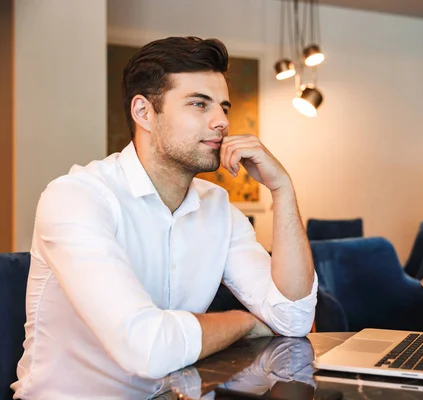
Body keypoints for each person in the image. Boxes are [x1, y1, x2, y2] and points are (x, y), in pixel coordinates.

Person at [12, 36, 317, 399]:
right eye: (198, 104)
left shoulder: (218, 208)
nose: (221, 122)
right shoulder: (76, 197)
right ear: (143, 113)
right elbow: (147, 347)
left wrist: (282, 189)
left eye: (223, 106)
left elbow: (295, 319)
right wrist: (248, 321)